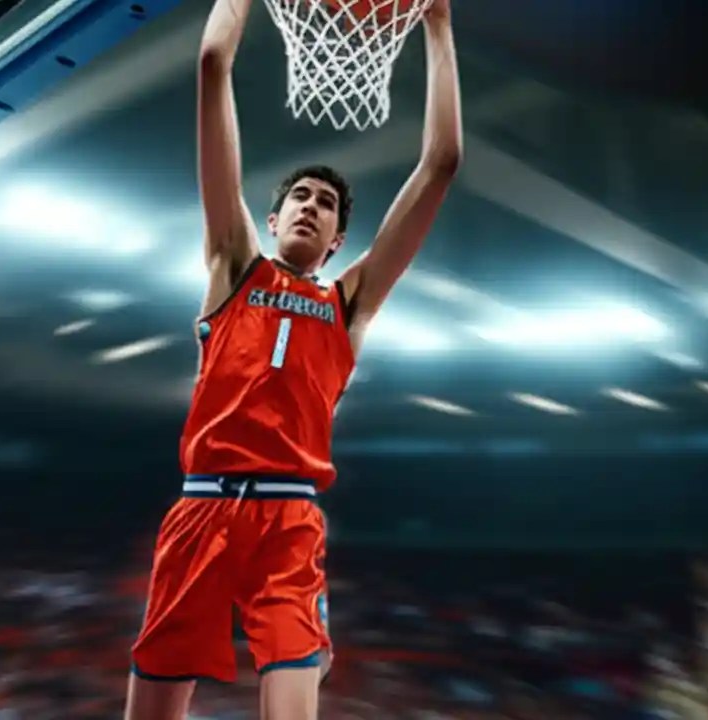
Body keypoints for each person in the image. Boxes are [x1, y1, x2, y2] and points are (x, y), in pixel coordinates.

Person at [125, 0, 463, 717]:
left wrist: (438, 24)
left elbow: (442, 163)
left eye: (326, 203)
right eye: (299, 197)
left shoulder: (352, 303)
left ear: (339, 238)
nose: (311, 205)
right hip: (201, 512)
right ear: (271, 220)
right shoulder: (233, 266)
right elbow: (213, 63)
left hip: (289, 523)